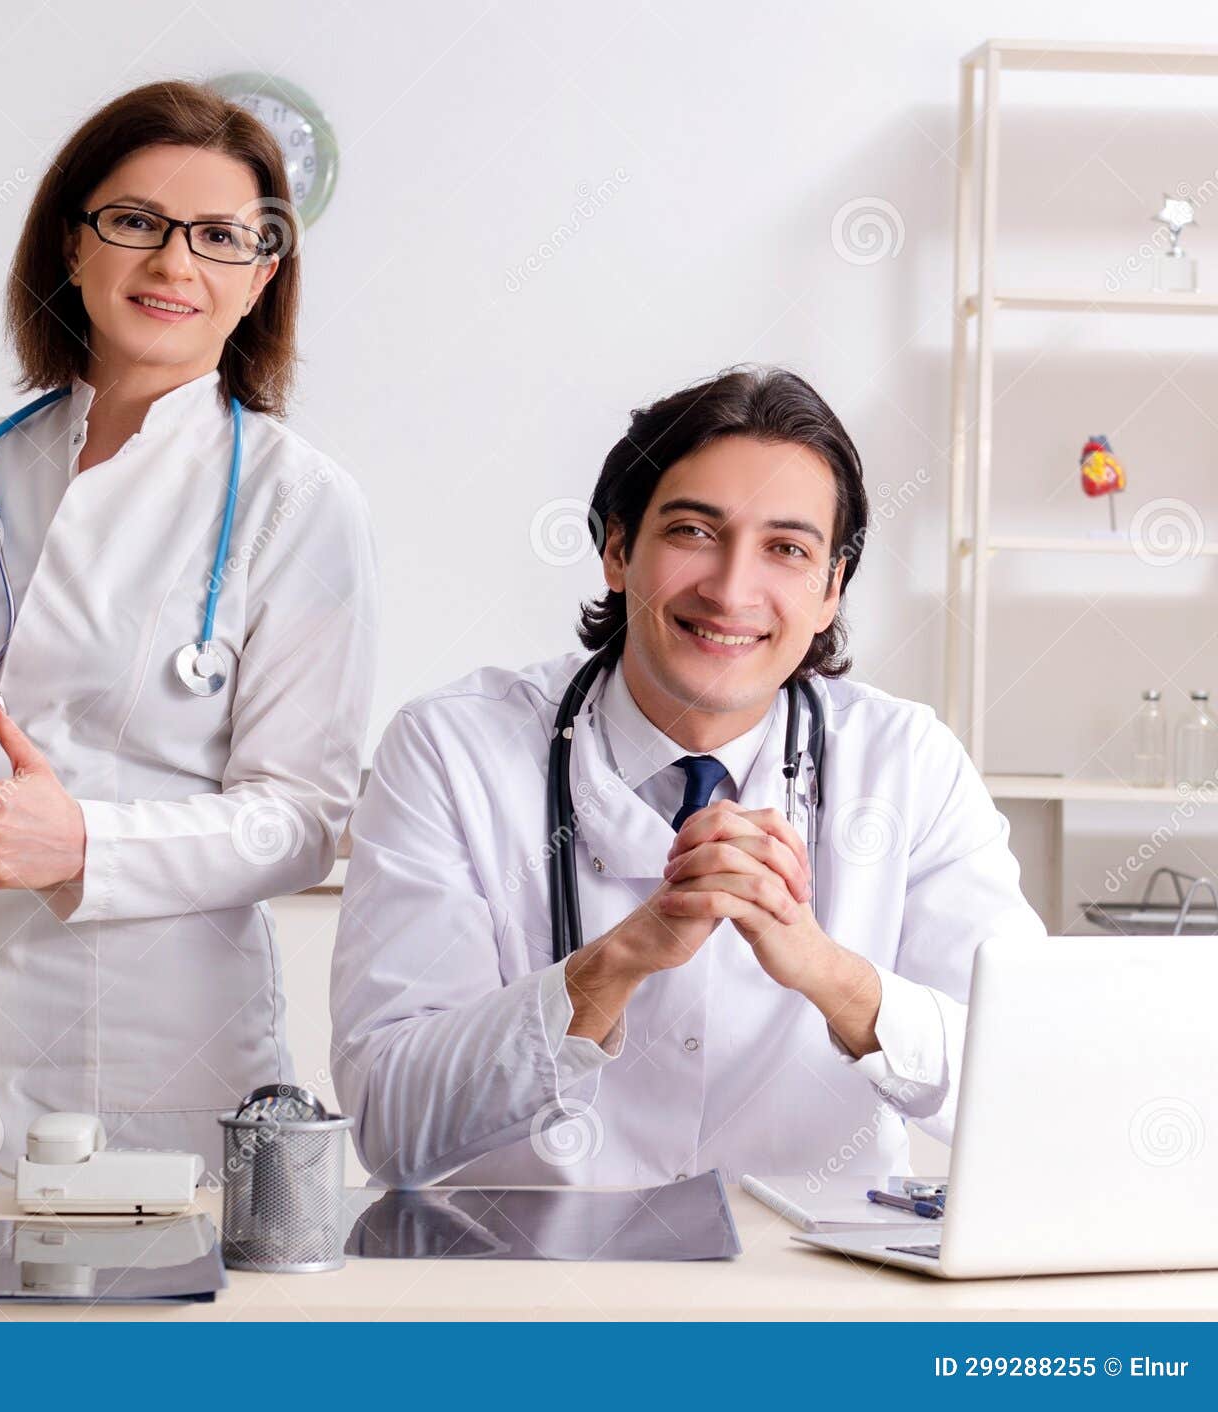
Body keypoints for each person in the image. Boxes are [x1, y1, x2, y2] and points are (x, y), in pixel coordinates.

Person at [0, 81, 378, 1184]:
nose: (174, 264)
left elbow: (306, 819)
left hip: (153, 1044)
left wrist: (85, 847)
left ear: (262, 277)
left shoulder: (297, 501)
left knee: (126, 1346)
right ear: (74, 244)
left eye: (220, 237)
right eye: (136, 222)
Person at [331, 366, 1042, 1189]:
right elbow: (389, 1122)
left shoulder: (907, 764)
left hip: (811, 1298)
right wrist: (615, 964)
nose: (732, 589)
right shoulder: (452, 750)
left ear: (830, 590)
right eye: (694, 533)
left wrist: (823, 969)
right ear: (618, 549)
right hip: (528, 1289)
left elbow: (1033, 1078)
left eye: (786, 549)